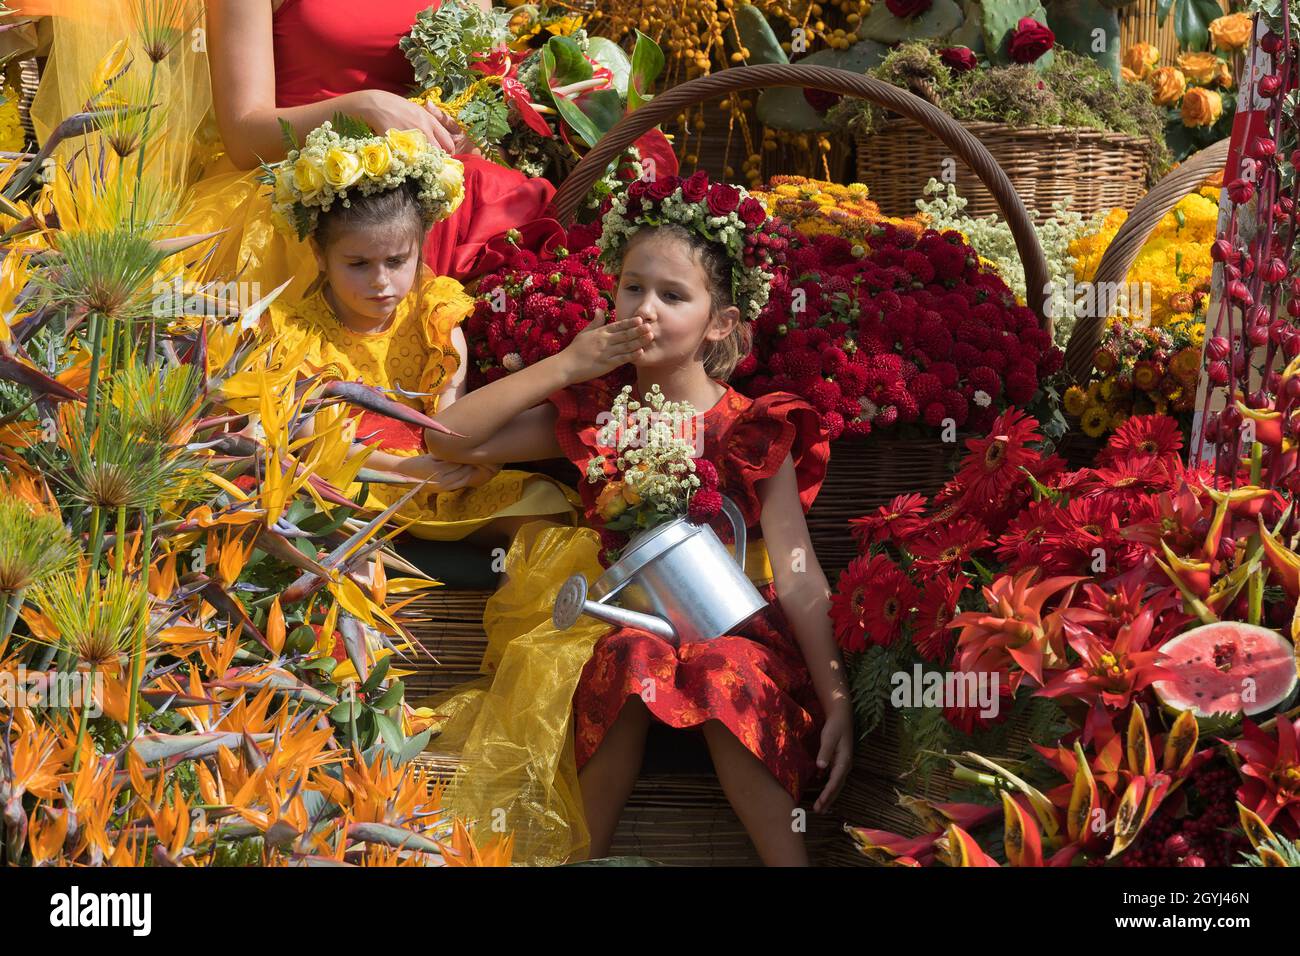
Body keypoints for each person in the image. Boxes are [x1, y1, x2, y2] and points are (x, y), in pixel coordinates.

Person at [419, 172, 854, 866]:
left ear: (720, 322)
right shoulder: (596, 411)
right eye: (632, 287)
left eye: (672, 295)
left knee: (722, 668)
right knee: (631, 654)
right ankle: (577, 857)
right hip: (621, 627)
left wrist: (837, 700)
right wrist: (565, 364)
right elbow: (444, 439)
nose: (645, 309)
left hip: (730, 628)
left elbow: (799, 576)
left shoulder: (753, 426)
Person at [29, 0, 556, 302]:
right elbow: (243, 135)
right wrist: (365, 109)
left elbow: (478, 84)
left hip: (434, 184)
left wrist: (456, 125)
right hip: (295, 185)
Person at [261, 121, 576, 549]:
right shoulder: (292, 331)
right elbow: (311, 436)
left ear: (421, 246)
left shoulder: (436, 311)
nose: (381, 282)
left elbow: (451, 415)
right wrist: (403, 470)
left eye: (395, 261)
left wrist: (476, 465)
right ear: (320, 255)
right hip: (355, 488)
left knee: (544, 510)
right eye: (358, 264)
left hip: (442, 477)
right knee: (319, 517)